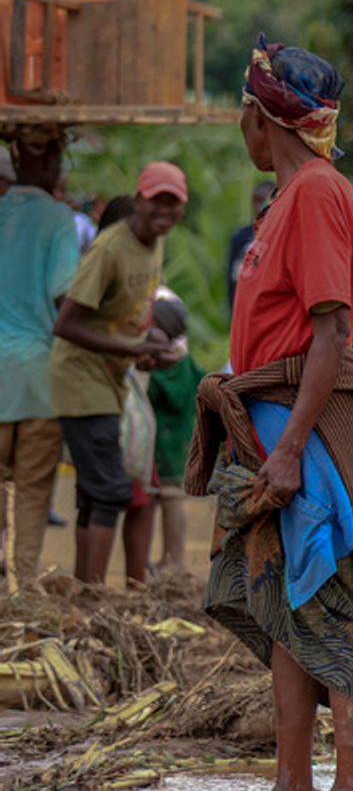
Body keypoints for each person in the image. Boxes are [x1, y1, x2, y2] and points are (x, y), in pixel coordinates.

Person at [190, 34, 353, 791]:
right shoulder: (287, 200)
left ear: (256, 119)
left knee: (330, 599)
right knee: (284, 603)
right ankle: (294, 781)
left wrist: (292, 448)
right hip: (274, 426)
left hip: (306, 434)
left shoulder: (312, 193)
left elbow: (329, 330)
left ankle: (351, 788)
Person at [50, 162, 186, 589]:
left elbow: (130, 319)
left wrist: (150, 354)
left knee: (96, 492)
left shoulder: (155, 245)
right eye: (157, 199)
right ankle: (91, 598)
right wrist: (132, 350)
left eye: (173, 202)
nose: (164, 209)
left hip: (112, 378)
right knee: (110, 490)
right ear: (140, 199)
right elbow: (66, 323)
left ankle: (83, 593)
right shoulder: (111, 248)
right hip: (80, 377)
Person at [0, 137, 81, 587]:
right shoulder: (57, 218)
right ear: (52, 158)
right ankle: (23, 588)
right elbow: (64, 295)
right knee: (32, 493)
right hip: (37, 377)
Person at [146, 291, 202, 573]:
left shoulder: (160, 368)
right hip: (180, 442)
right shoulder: (186, 361)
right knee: (171, 500)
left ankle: (175, 560)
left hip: (164, 446)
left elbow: (154, 394)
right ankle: (170, 558)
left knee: (168, 500)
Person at [225, 180, 275, 328]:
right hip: (246, 309)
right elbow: (232, 279)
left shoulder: (282, 234)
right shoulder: (241, 237)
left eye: (265, 201)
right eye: (257, 201)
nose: (261, 207)